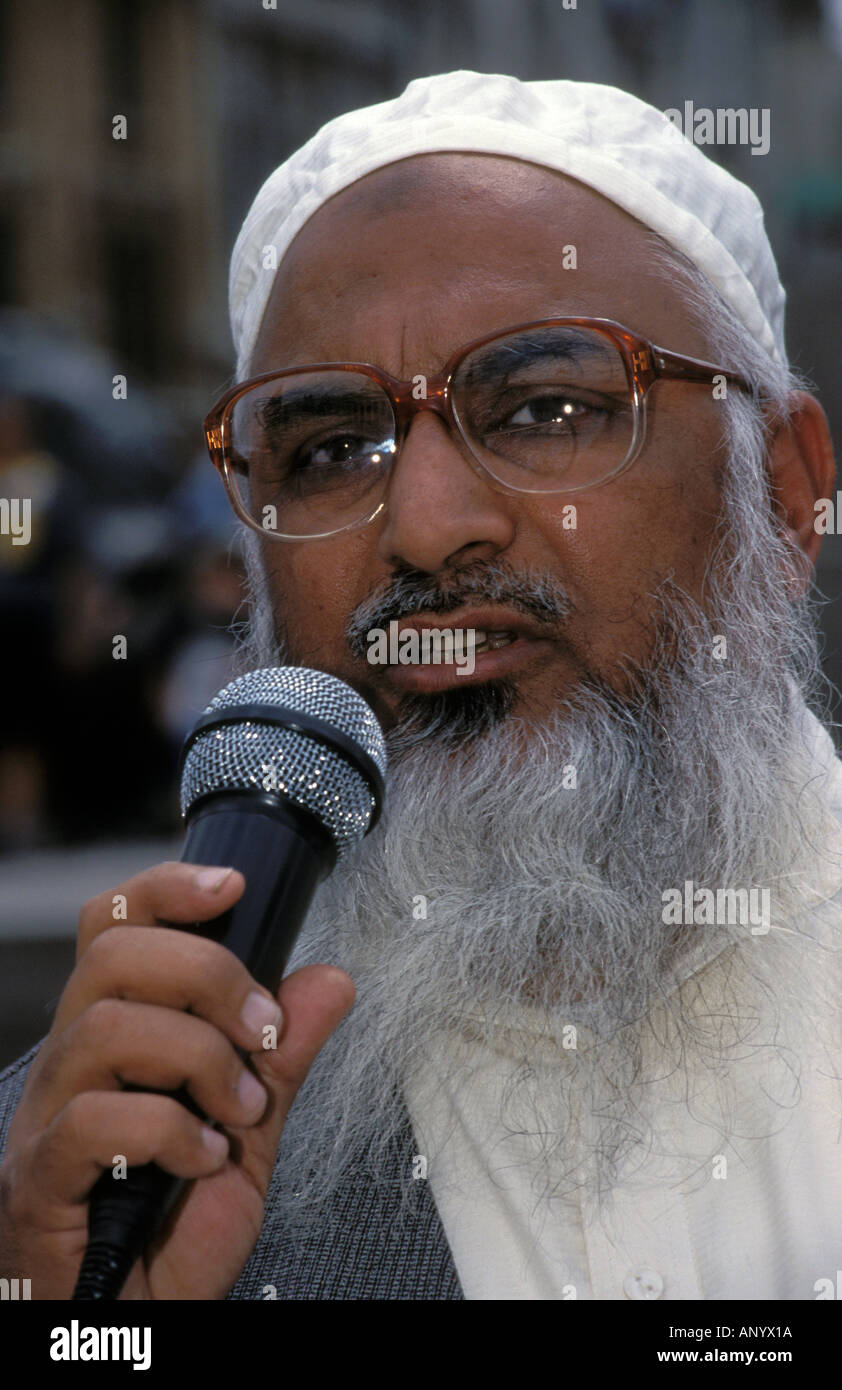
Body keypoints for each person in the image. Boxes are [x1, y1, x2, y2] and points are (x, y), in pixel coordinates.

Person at [0, 70, 839, 1301]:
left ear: (780, 494)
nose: (427, 526)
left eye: (547, 407)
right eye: (333, 449)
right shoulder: (81, 1175)